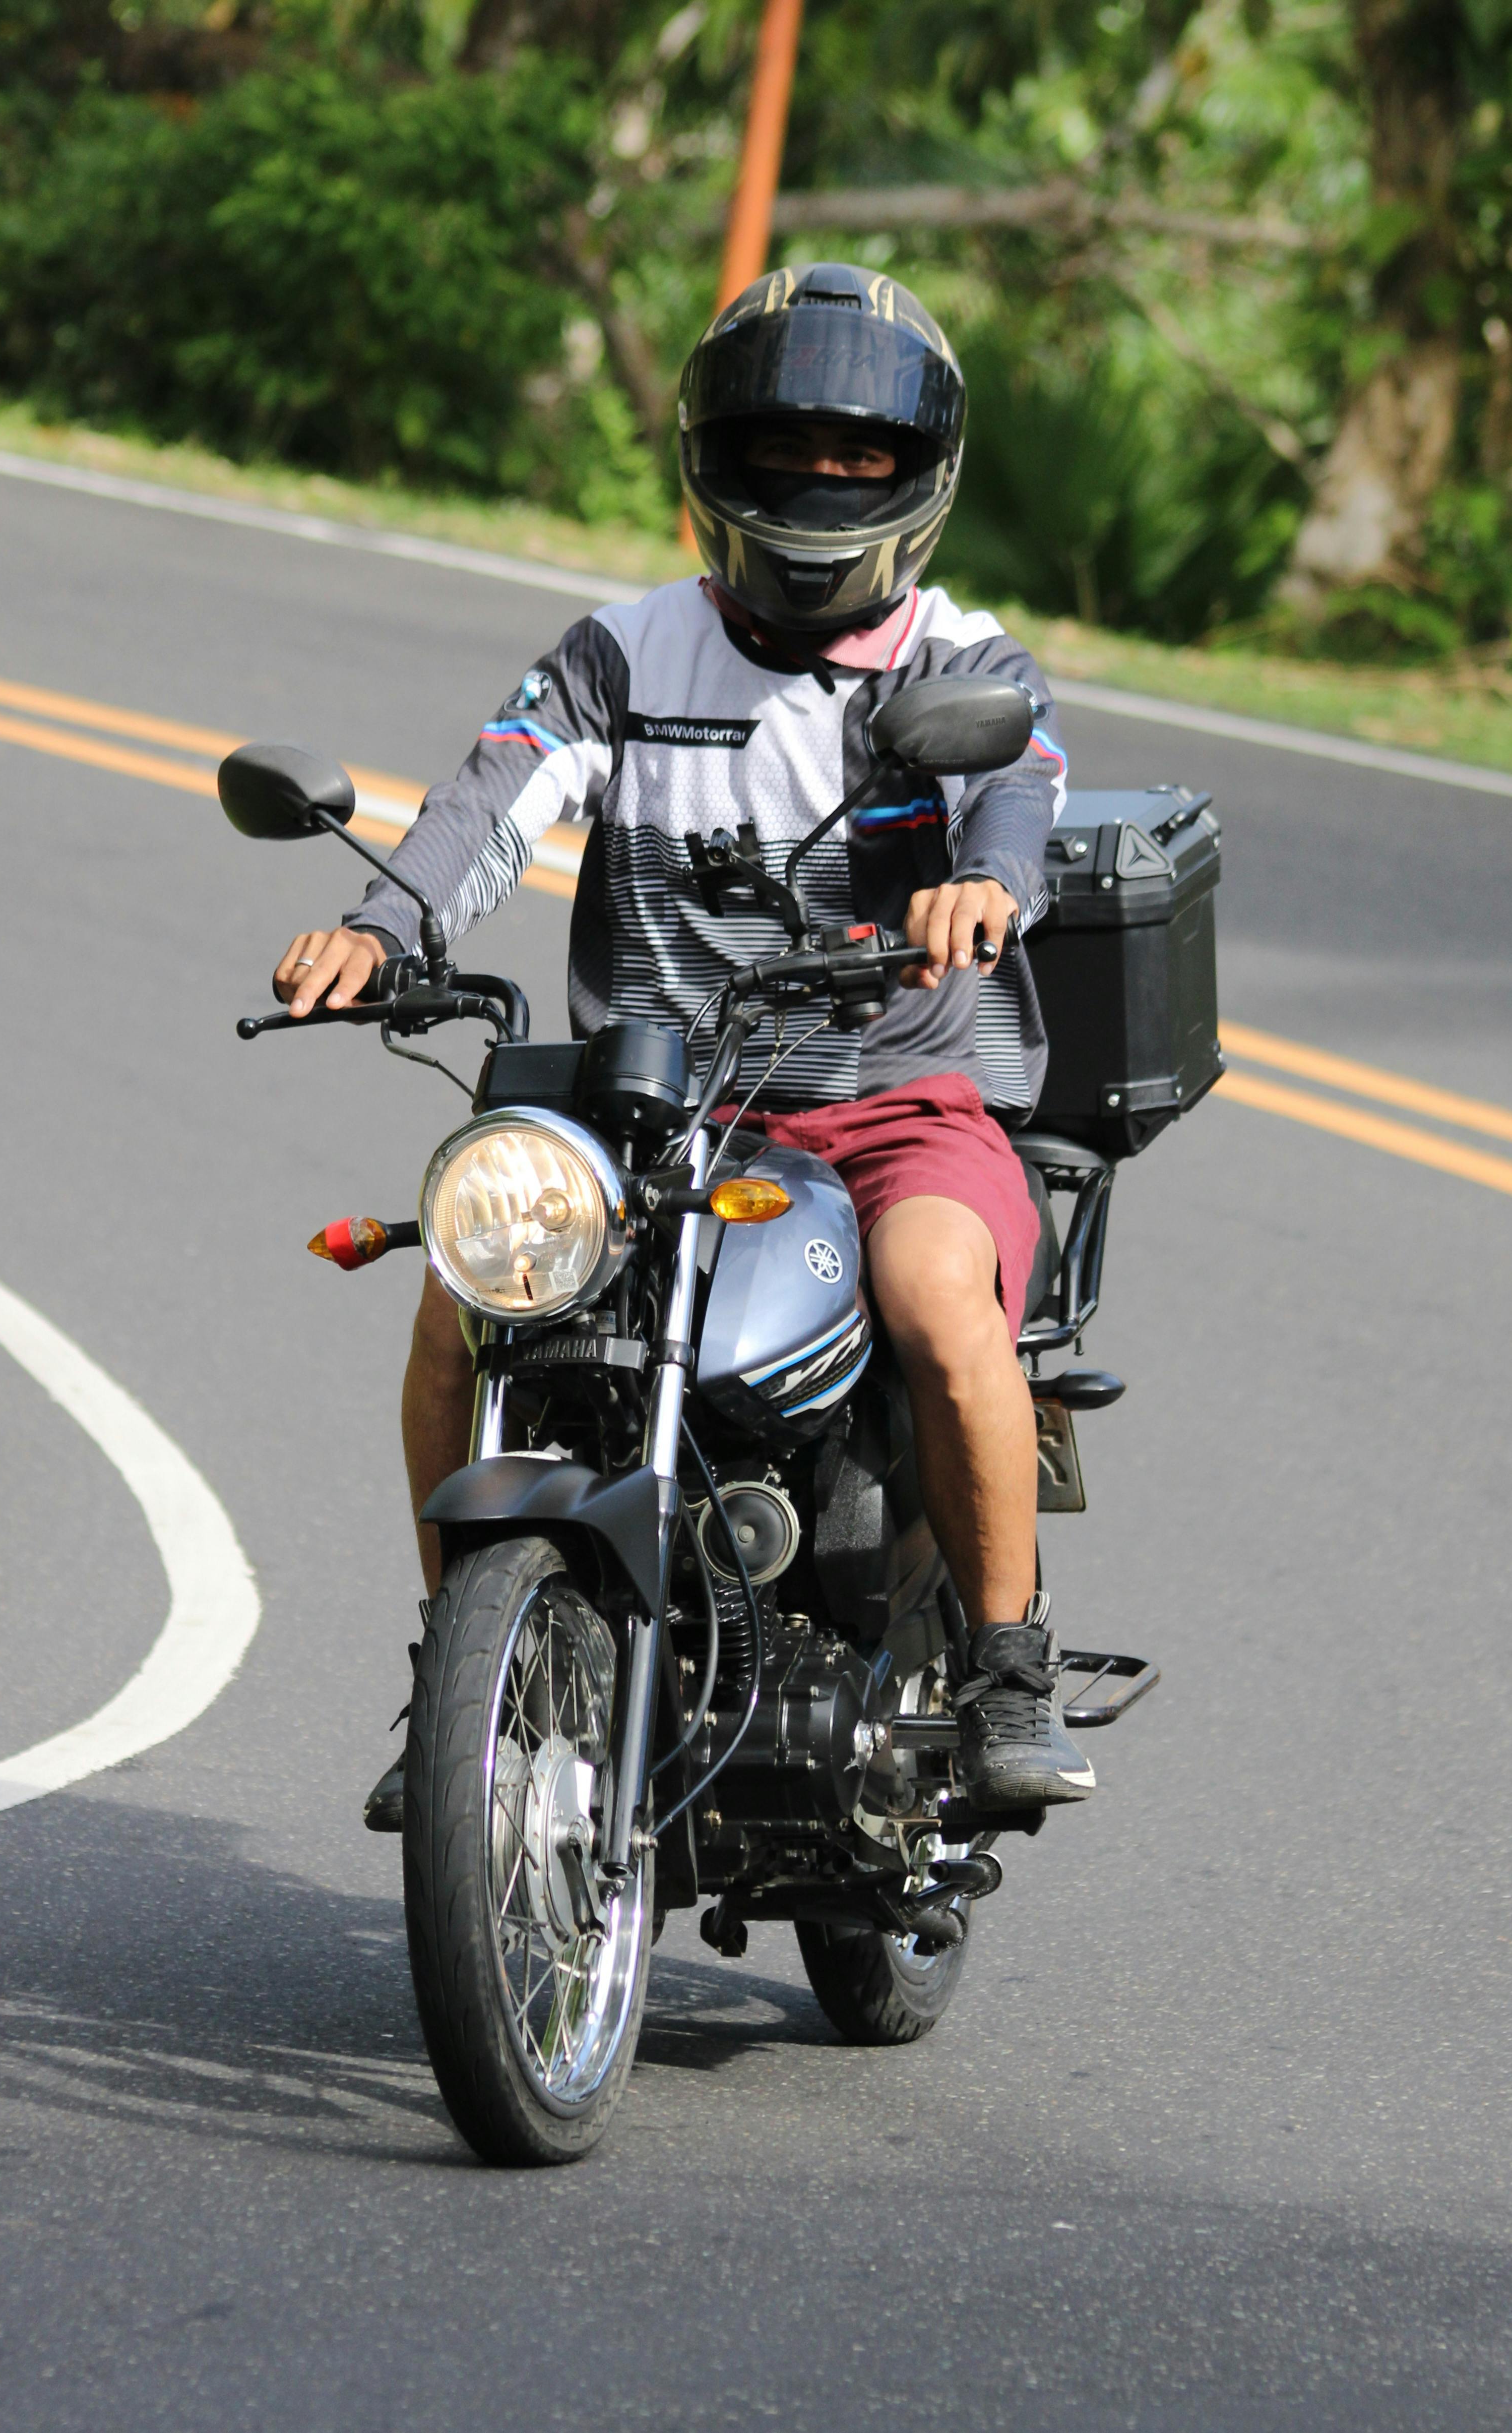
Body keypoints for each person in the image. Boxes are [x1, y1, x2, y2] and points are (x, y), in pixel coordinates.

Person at [273, 263, 1093, 1818]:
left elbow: (1015, 802)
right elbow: (491, 796)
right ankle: (461, 1662)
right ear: (716, 458)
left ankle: (1004, 1666)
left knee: (933, 1289)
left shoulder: (964, 665)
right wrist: (386, 929)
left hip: (891, 1099)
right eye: (787, 444)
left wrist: (980, 886)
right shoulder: (621, 651)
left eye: (859, 454)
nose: (820, 479)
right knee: (472, 1291)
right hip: (656, 1104)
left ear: (917, 477)